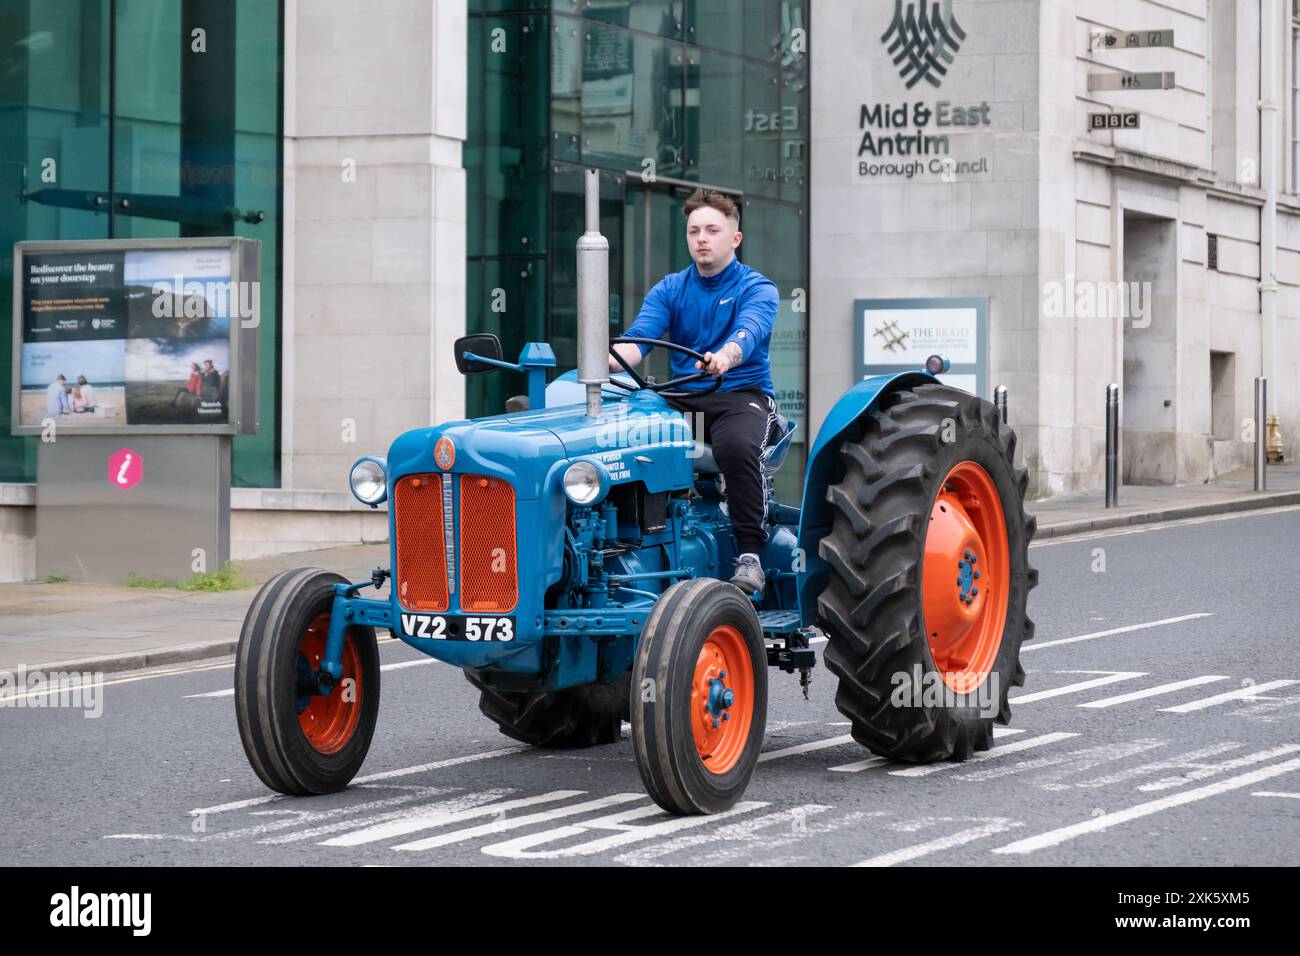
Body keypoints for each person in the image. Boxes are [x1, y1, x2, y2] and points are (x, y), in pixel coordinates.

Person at [609, 189, 779, 595]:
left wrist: (725, 356)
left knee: (737, 447)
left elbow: (749, 332)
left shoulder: (758, 288)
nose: (702, 238)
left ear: (735, 238)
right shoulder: (670, 289)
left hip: (740, 394)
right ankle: (627, 544)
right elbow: (639, 339)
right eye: (694, 231)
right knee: (620, 433)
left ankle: (751, 555)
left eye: (712, 230)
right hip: (682, 398)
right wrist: (608, 359)